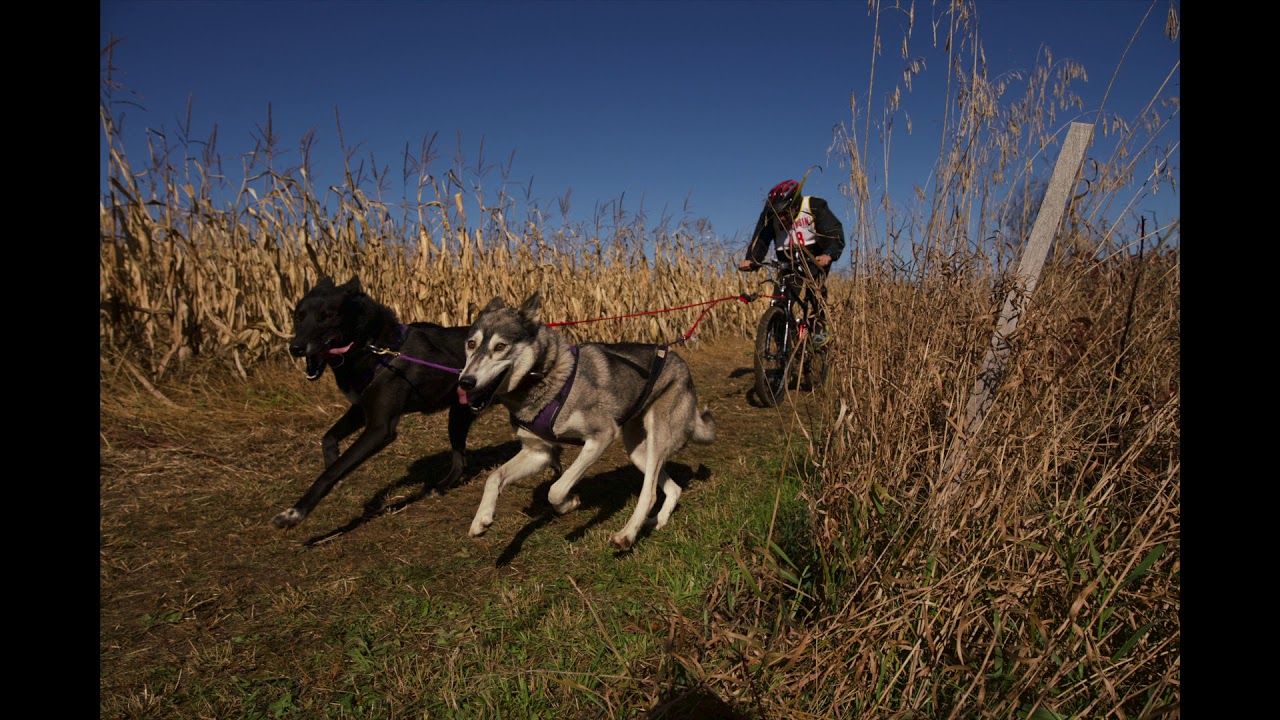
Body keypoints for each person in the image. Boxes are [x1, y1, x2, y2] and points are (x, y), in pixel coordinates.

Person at [737, 179, 845, 347]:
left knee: (815, 294)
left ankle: (819, 330)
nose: (781, 218)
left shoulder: (814, 205)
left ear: (795, 204)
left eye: (784, 213)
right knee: (780, 300)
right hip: (787, 260)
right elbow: (761, 239)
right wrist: (752, 260)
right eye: (777, 214)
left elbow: (834, 232)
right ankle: (784, 346)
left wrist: (828, 254)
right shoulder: (770, 214)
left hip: (814, 257)